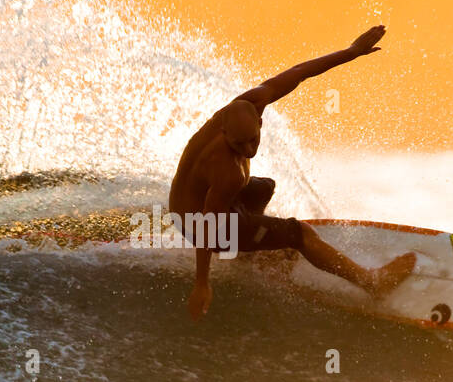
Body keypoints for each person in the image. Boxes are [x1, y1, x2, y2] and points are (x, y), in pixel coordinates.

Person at [168, 24, 416, 320]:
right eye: (239, 144)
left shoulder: (251, 102)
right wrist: (202, 283)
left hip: (188, 205)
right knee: (299, 233)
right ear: (224, 131)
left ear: (259, 121)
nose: (248, 150)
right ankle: (372, 283)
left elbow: (299, 72)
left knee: (264, 187)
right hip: (198, 222)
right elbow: (208, 223)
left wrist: (351, 53)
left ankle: (250, 252)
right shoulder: (227, 171)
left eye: (252, 141)